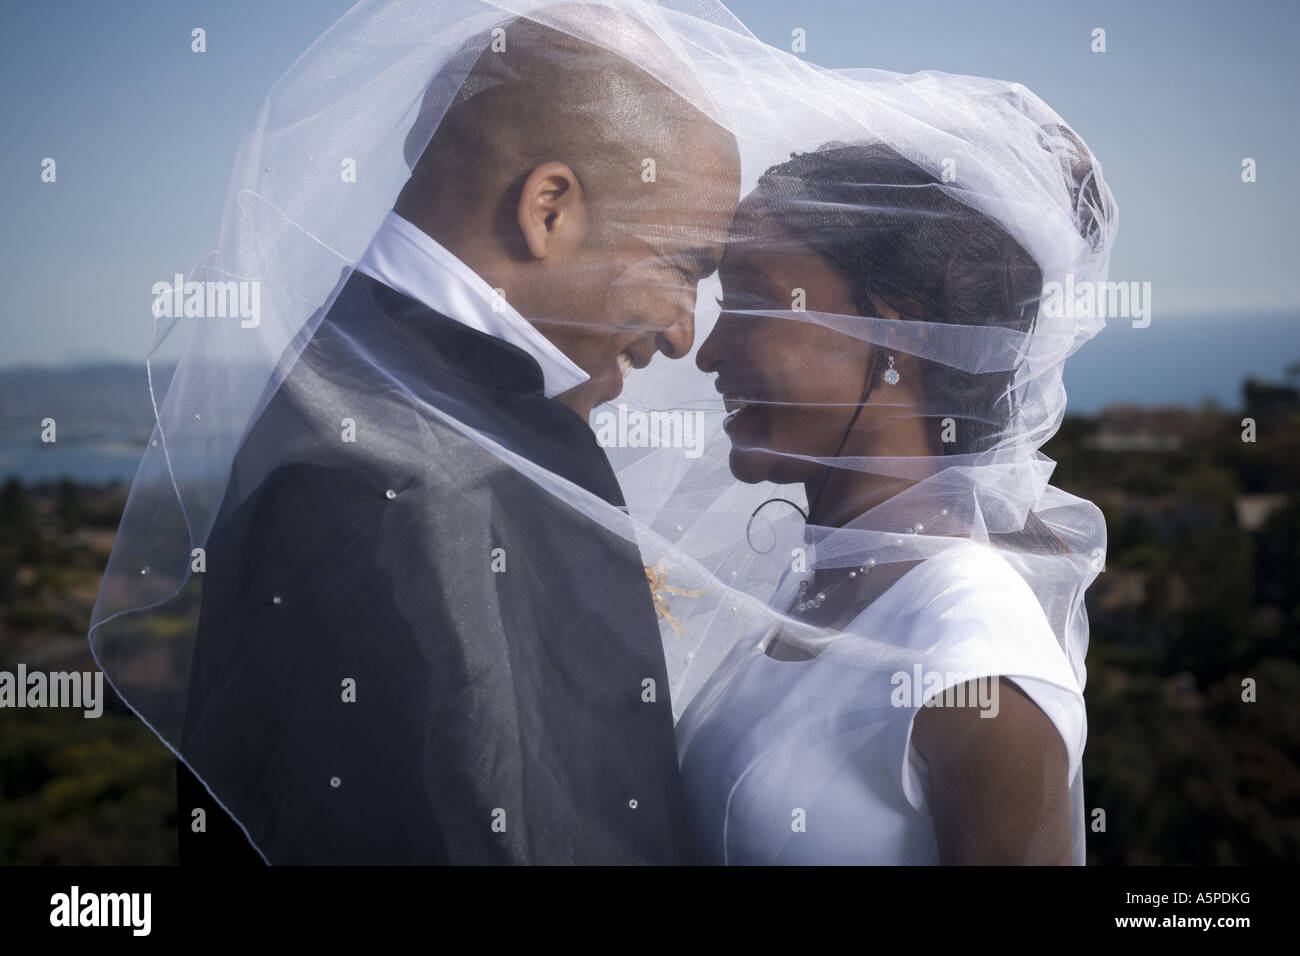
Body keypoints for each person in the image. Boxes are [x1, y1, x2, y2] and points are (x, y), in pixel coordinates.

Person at [175, 5, 740, 864]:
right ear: (549, 209)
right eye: (683, 268)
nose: (681, 334)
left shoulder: (400, 391)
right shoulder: (392, 477)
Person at [675, 129, 1113, 864]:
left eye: (753, 305)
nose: (709, 351)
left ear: (896, 332)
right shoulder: (814, 584)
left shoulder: (976, 652)